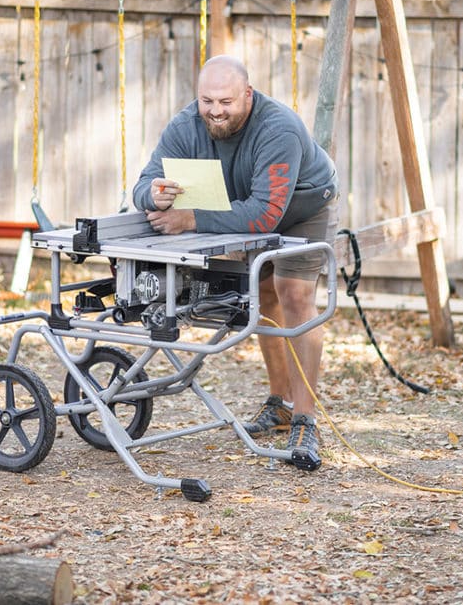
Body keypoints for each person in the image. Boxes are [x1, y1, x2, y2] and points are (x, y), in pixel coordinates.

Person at [132, 55, 338, 466]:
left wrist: (189, 217)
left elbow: (265, 216)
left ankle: (304, 419)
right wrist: (151, 196)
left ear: (248, 94)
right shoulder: (185, 124)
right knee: (261, 294)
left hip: (302, 205)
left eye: (225, 101)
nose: (215, 110)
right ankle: (279, 403)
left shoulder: (277, 128)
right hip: (243, 204)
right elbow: (141, 183)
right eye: (207, 100)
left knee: (294, 293)